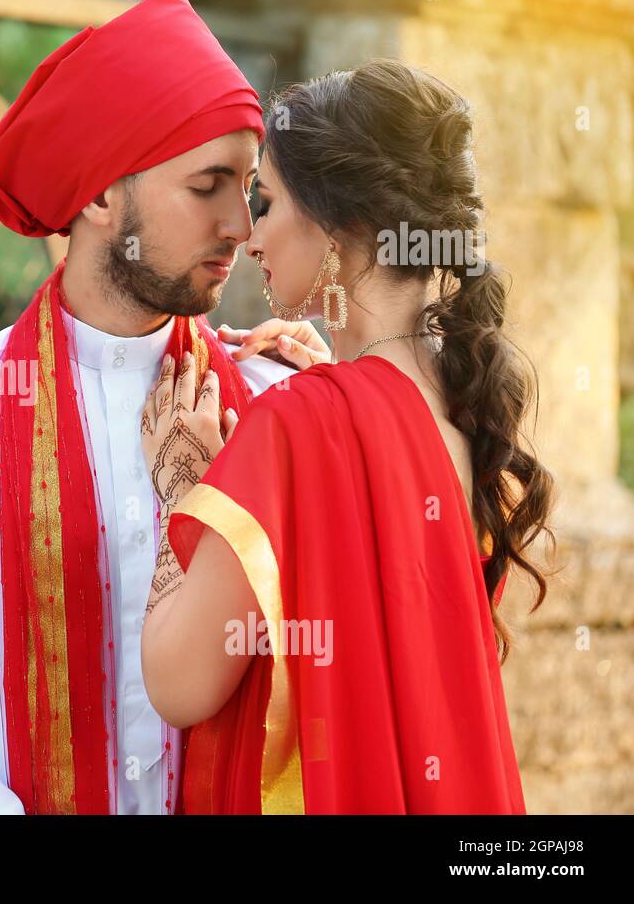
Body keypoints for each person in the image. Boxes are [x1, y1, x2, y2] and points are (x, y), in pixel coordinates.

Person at [0, 0, 295, 814]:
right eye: (207, 186)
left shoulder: (274, 404)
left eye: (250, 185)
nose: (242, 223)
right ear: (97, 196)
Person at [140, 59, 556, 813]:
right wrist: (332, 388)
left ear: (339, 226)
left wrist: (180, 484)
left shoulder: (301, 424)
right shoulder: (458, 407)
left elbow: (179, 682)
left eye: (265, 202)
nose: (248, 234)